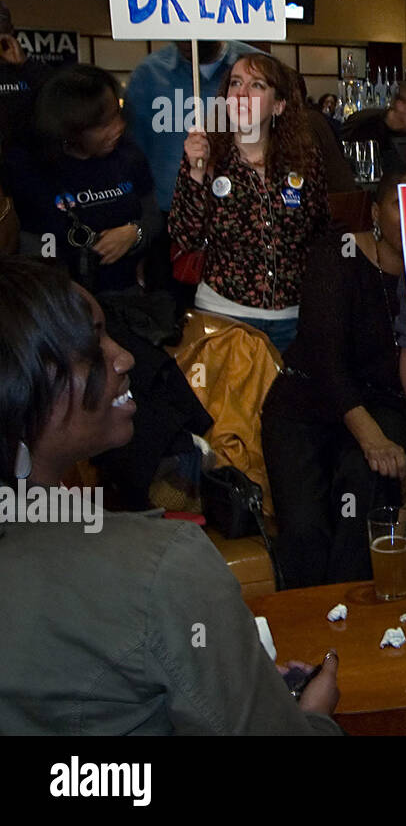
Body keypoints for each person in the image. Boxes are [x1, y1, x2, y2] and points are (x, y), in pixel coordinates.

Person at [0, 258, 341, 734]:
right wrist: (313, 720)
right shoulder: (161, 566)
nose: (124, 357)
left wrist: (231, 681)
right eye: (92, 343)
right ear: (21, 381)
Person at [261, 163, 406, 588]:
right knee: (304, 532)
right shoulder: (338, 253)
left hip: (384, 405)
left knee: (367, 493)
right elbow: (324, 356)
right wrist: (369, 435)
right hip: (308, 402)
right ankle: (304, 635)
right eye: (400, 205)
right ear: (375, 212)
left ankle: (352, 627)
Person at [169, 52, 328, 352]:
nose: (241, 93)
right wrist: (196, 172)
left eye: (256, 86)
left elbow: (319, 232)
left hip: (292, 320)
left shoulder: (304, 161)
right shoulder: (207, 154)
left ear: (279, 105)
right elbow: (185, 236)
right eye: (235, 83)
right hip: (223, 316)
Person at [3, 63, 160, 294]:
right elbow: (27, 247)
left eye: (117, 115)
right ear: (71, 131)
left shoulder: (129, 157)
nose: (118, 128)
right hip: (60, 300)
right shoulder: (30, 172)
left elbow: (153, 216)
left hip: (128, 299)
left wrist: (135, 233)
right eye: (103, 125)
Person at [122, 39, 259, 210]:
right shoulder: (148, 75)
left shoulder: (259, 67)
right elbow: (132, 153)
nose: (186, 40)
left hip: (246, 212)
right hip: (168, 213)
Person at [0, 0, 55, 150]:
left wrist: (25, 64)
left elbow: (60, 98)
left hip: (28, 162)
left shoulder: (33, 71)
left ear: (10, 31)